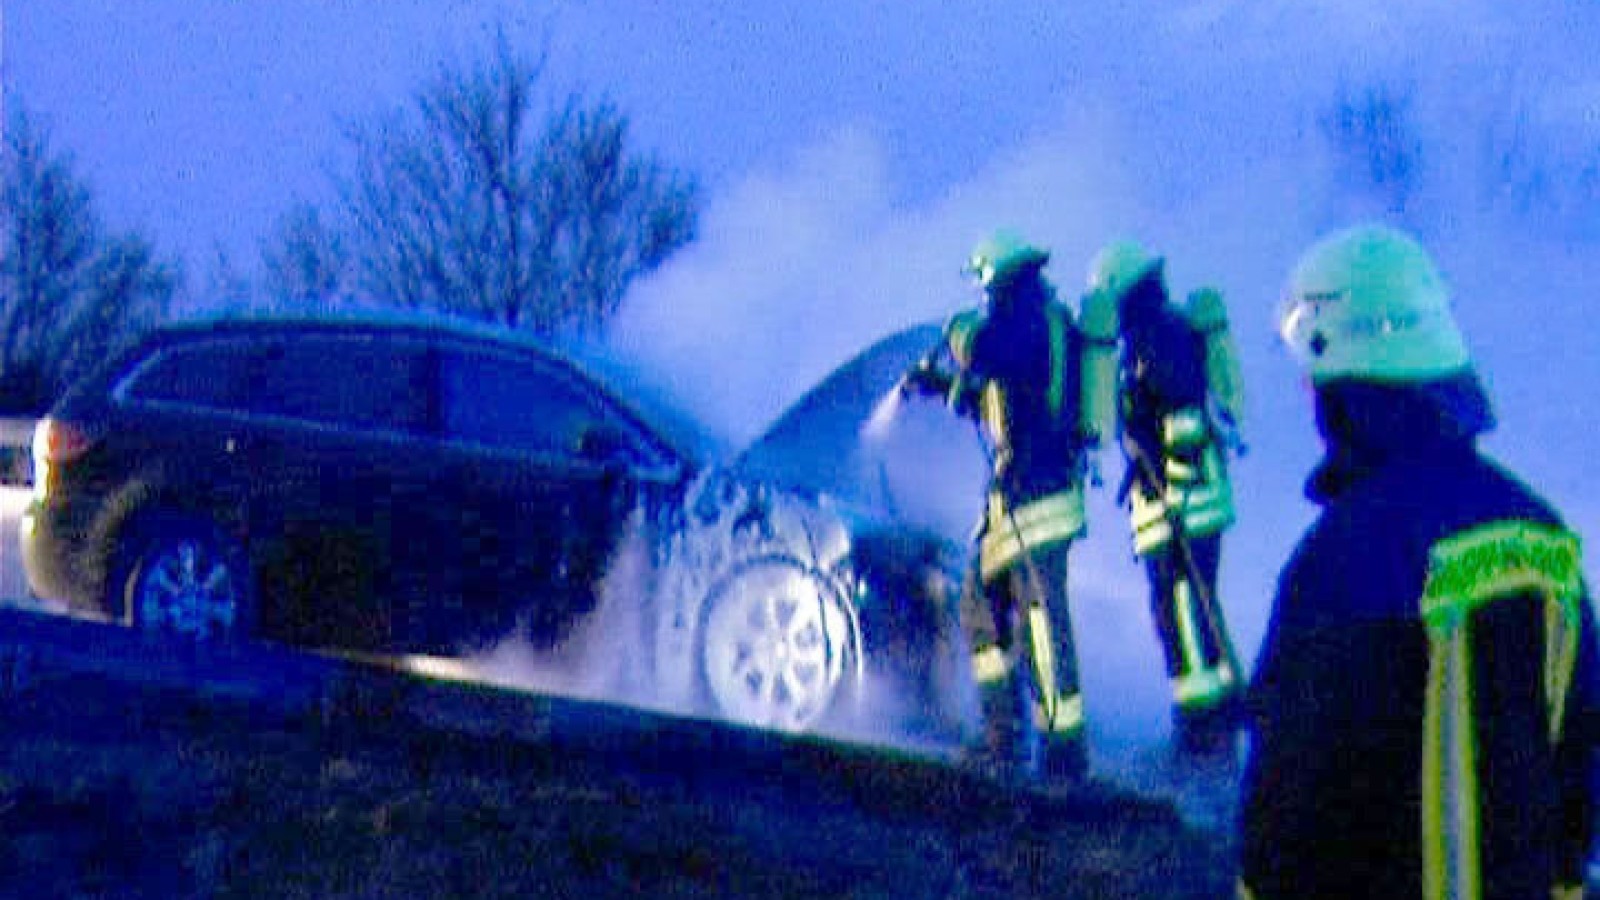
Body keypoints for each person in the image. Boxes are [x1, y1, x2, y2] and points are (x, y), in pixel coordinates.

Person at [1238, 223, 1600, 899]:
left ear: (1340, 378)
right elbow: (1581, 764)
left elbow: (1286, 818)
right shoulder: (1542, 538)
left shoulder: (1341, 564)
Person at [899, 229, 1092, 783]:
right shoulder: (1026, 326)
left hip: (1039, 498)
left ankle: (1063, 755)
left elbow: (987, 354)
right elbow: (993, 397)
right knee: (978, 606)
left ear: (1000, 277)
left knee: (1041, 622)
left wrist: (959, 334)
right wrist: (936, 385)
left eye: (984, 285)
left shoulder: (1033, 319)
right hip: (1014, 498)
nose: (982, 296)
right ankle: (1001, 738)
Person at [1085, 239, 1245, 753]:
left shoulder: (1160, 336)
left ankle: (1204, 733)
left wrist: (1172, 487)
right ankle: (1212, 720)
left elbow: (1180, 416)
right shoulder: (1156, 332)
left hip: (1184, 501)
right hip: (1185, 498)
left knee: (1182, 610)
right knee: (1186, 609)